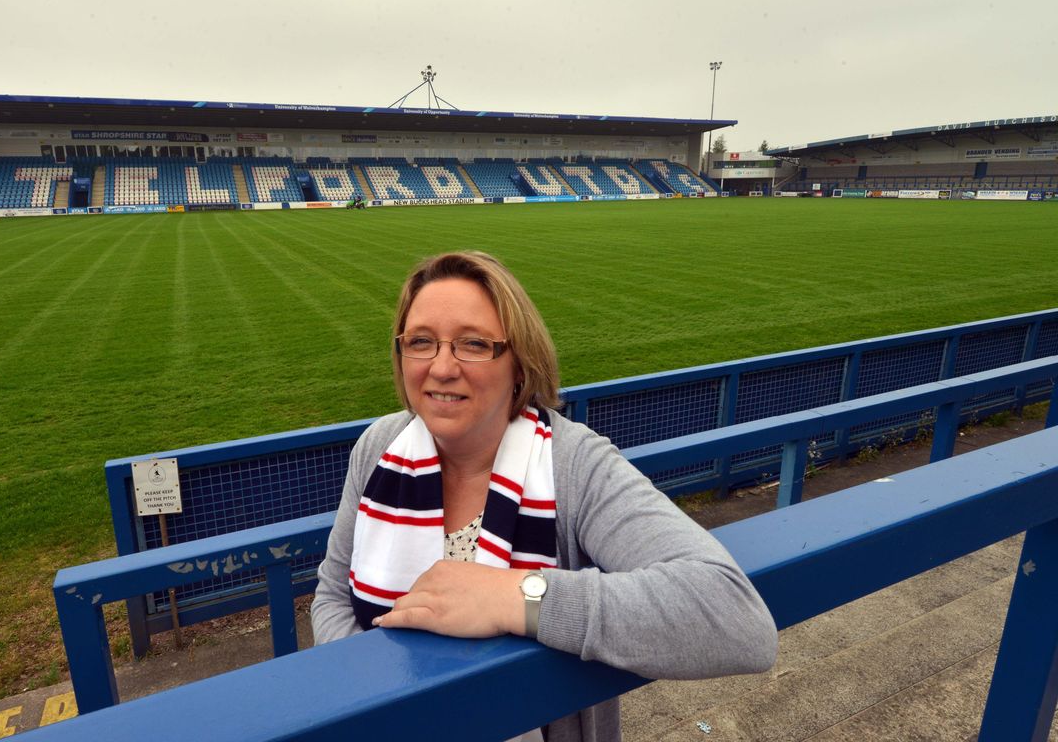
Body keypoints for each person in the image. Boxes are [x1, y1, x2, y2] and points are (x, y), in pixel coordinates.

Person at [312, 251, 777, 742]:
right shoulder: (380, 446)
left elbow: (734, 616)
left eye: (473, 344)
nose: (442, 367)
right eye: (421, 342)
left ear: (519, 364)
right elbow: (332, 594)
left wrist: (515, 597)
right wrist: (383, 699)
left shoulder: (573, 464)